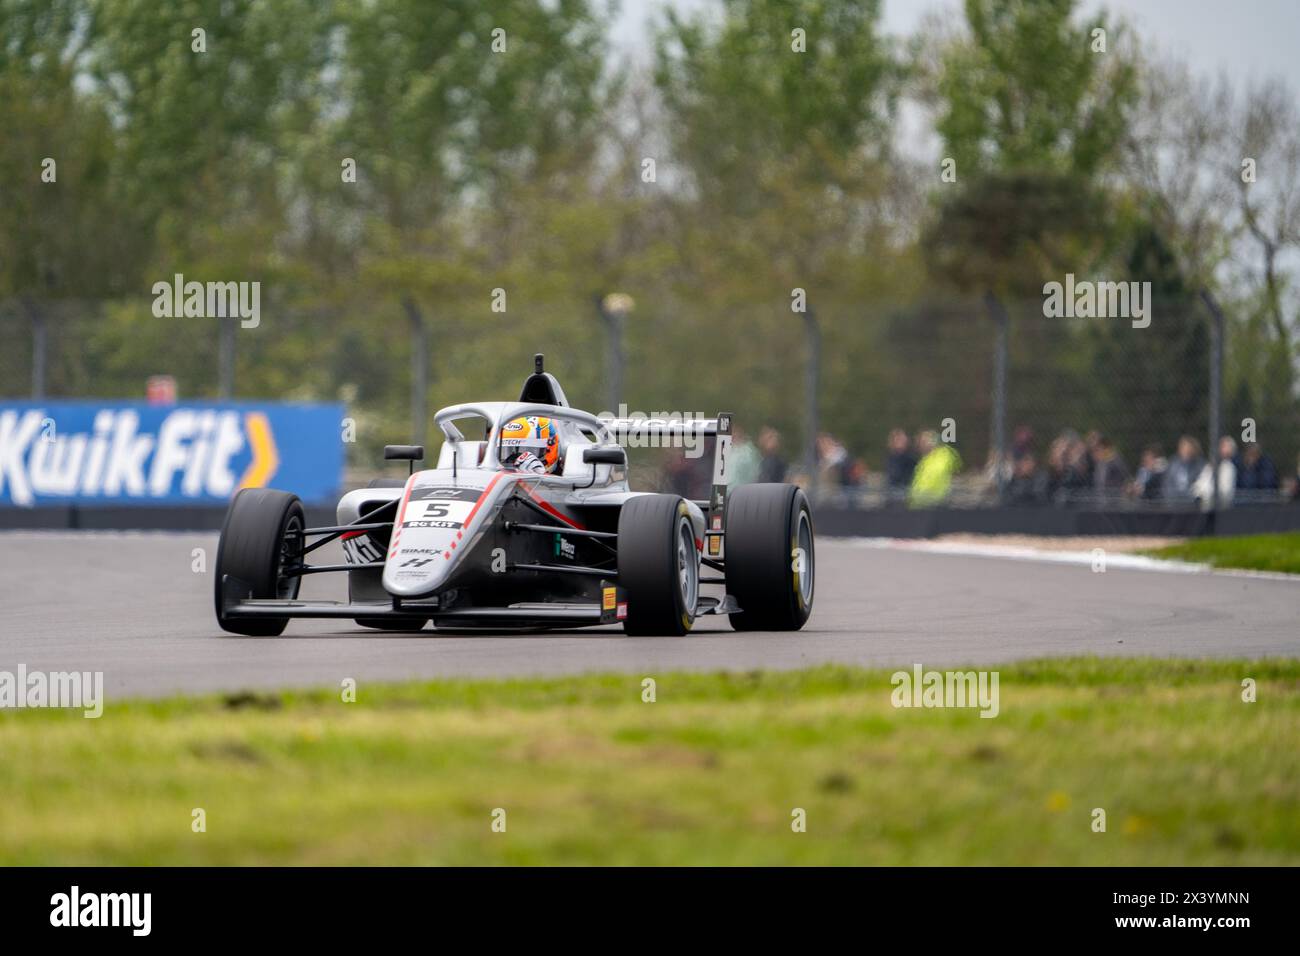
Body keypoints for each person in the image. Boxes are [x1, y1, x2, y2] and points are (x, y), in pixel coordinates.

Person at [909, 430, 962, 507]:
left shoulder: (943, 456)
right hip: (922, 504)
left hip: (934, 503)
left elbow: (933, 478)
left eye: (924, 441)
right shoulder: (926, 459)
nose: (921, 444)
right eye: (921, 441)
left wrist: (919, 498)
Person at [1163, 436, 1205, 502]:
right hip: (1174, 500)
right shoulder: (1173, 463)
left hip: (1191, 501)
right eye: (1184, 448)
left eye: (1189, 448)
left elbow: (1199, 486)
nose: (1186, 451)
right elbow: (1167, 484)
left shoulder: (1200, 465)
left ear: (1194, 450)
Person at [885, 428, 916, 496]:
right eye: (898, 440)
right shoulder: (891, 458)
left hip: (904, 494)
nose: (901, 443)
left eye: (902, 440)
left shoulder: (910, 459)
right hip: (892, 493)